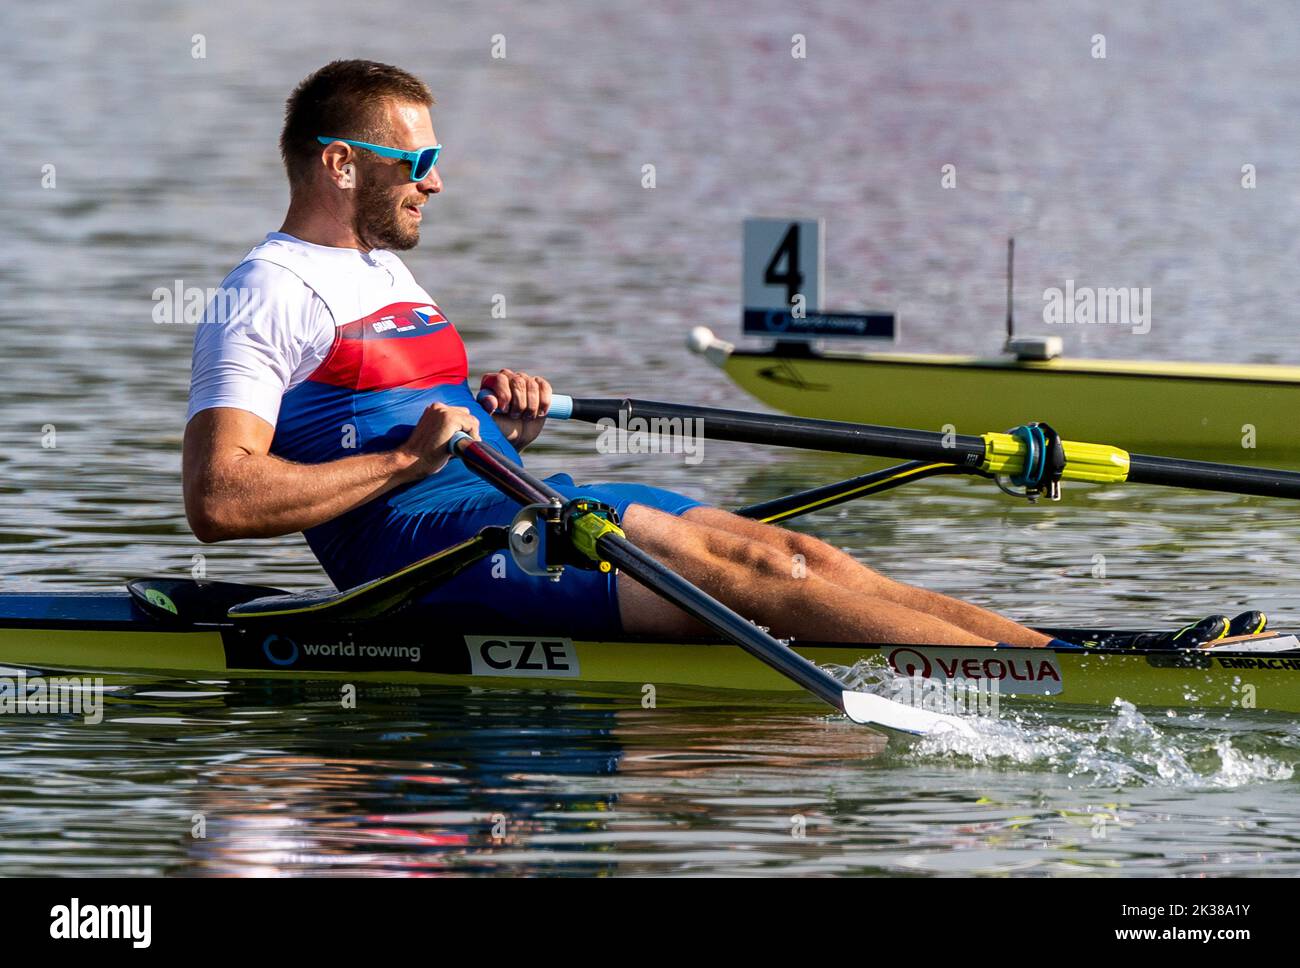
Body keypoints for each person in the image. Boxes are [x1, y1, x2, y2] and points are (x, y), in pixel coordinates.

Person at [184, 59, 1232, 651]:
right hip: (421, 566)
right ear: (338, 162)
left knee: (812, 559)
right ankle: (1049, 678)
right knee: (765, 568)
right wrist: (408, 462)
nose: (437, 180)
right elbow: (221, 502)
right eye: (417, 159)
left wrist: (502, 417)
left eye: (437, 159)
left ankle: (1076, 656)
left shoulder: (383, 272)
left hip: (520, 505)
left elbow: (413, 416)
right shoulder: (265, 291)